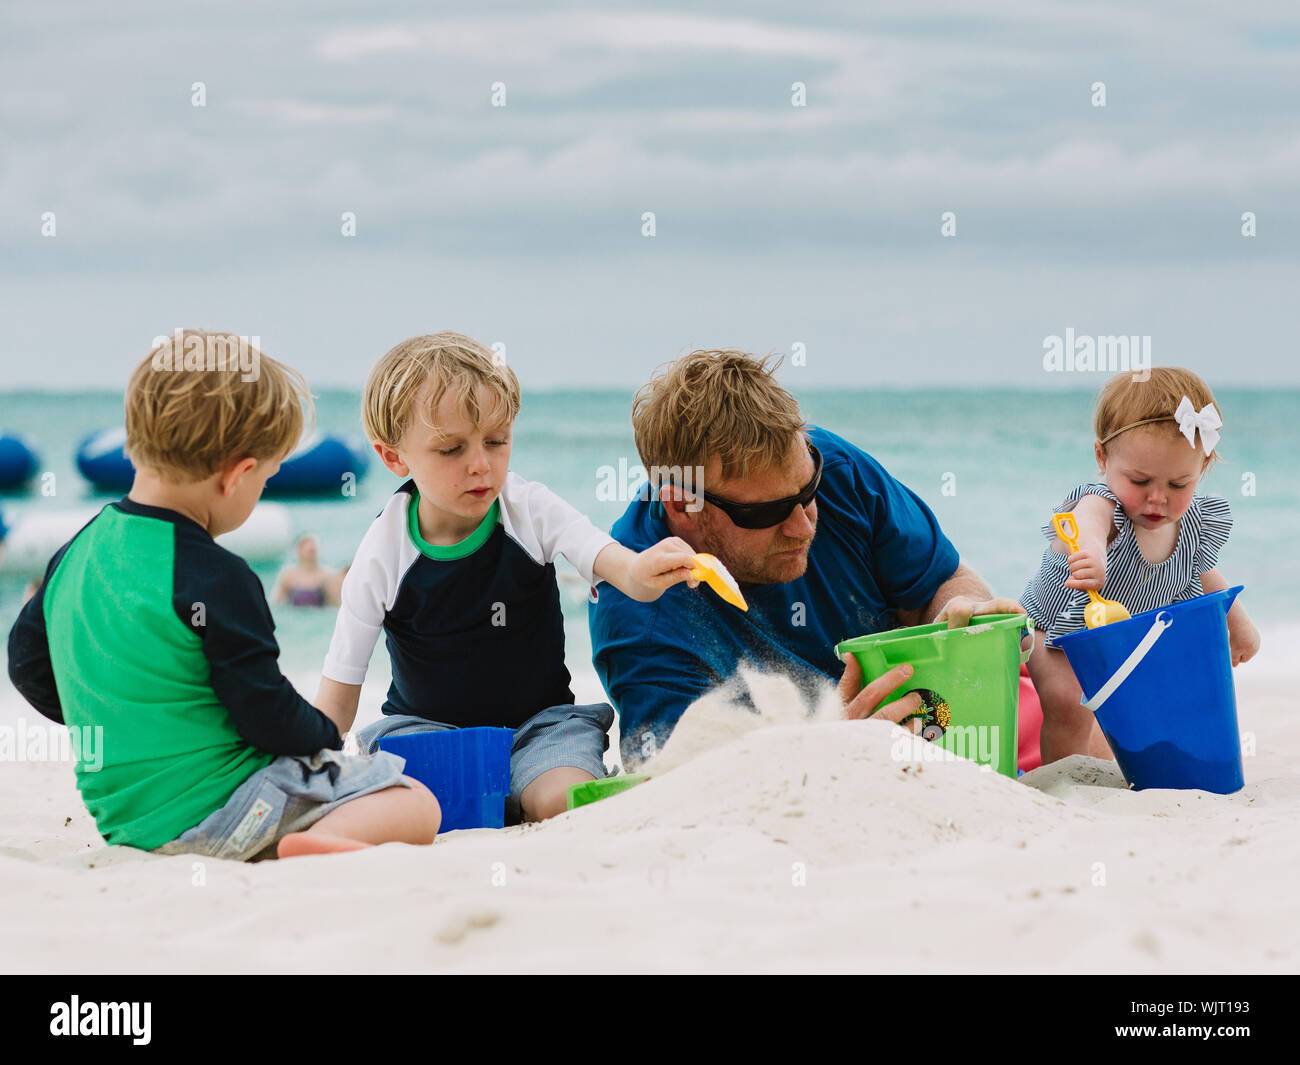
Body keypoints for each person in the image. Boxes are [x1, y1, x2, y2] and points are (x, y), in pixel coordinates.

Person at [6, 329, 441, 860]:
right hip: (238, 811)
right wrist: (325, 732)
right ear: (238, 475)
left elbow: (28, 666)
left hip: (134, 829)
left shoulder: (75, 553)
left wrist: (120, 720)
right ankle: (315, 845)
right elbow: (266, 713)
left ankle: (295, 845)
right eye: (265, 480)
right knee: (415, 801)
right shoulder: (217, 576)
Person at [313, 332, 698, 822]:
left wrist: (645, 568)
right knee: (417, 808)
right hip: (426, 731)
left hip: (541, 729)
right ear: (394, 457)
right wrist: (310, 770)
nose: (481, 465)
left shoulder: (529, 509)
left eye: (496, 441)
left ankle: (566, 795)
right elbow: (340, 691)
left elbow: (612, 562)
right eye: (451, 449)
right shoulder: (382, 551)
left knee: (559, 802)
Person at [590, 349, 1028, 768]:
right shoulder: (639, 618)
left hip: (939, 737)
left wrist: (965, 617)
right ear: (682, 506)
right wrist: (832, 746)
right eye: (767, 512)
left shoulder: (834, 468)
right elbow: (679, 780)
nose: (803, 527)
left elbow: (944, 583)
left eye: (808, 491)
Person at [1021, 367, 1260, 764]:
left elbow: (1205, 577)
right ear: (1102, 457)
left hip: (1122, 638)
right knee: (1068, 700)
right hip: (1056, 633)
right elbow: (1088, 521)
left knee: (1160, 699)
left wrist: (1240, 625)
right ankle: (1063, 778)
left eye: (1177, 484)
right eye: (1139, 480)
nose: (1157, 498)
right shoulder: (1103, 504)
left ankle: (1138, 766)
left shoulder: (1194, 524)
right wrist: (1093, 551)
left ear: (1201, 469)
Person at [272, 533, 339, 607]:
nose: (311, 554)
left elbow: (336, 604)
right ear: (298, 551)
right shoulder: (288, 575)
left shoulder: (327, 575)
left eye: (313, 551)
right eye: (309, 551)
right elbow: (277, 602)